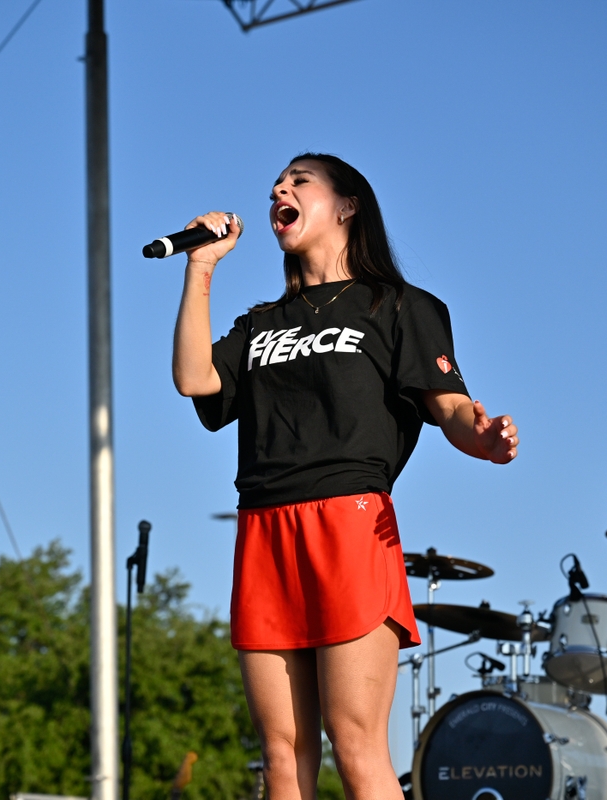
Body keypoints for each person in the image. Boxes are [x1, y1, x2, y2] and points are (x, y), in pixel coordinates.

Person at [172, 153, 519, 800]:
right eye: (278, 183)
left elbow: (449, 407)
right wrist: (201, 266)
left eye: (300, 181)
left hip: (349, 521)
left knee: (355, 743)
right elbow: (196, 381)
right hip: (264, 528)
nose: (281, 188)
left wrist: (484, 438)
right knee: (283, 757)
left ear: (347, 206)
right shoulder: (260, 324)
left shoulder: (396, 306)